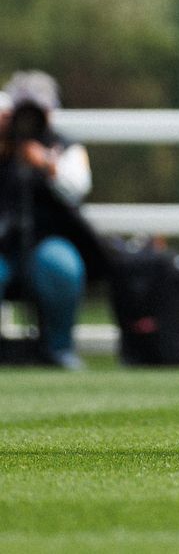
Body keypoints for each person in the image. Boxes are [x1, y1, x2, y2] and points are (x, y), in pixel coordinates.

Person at [0, 72, 97, 369]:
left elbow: (79, 187)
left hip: (47, 241)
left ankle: (58, 347)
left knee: (62, 267)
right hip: (4, 243)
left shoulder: (65, 147)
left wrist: (46, 165)